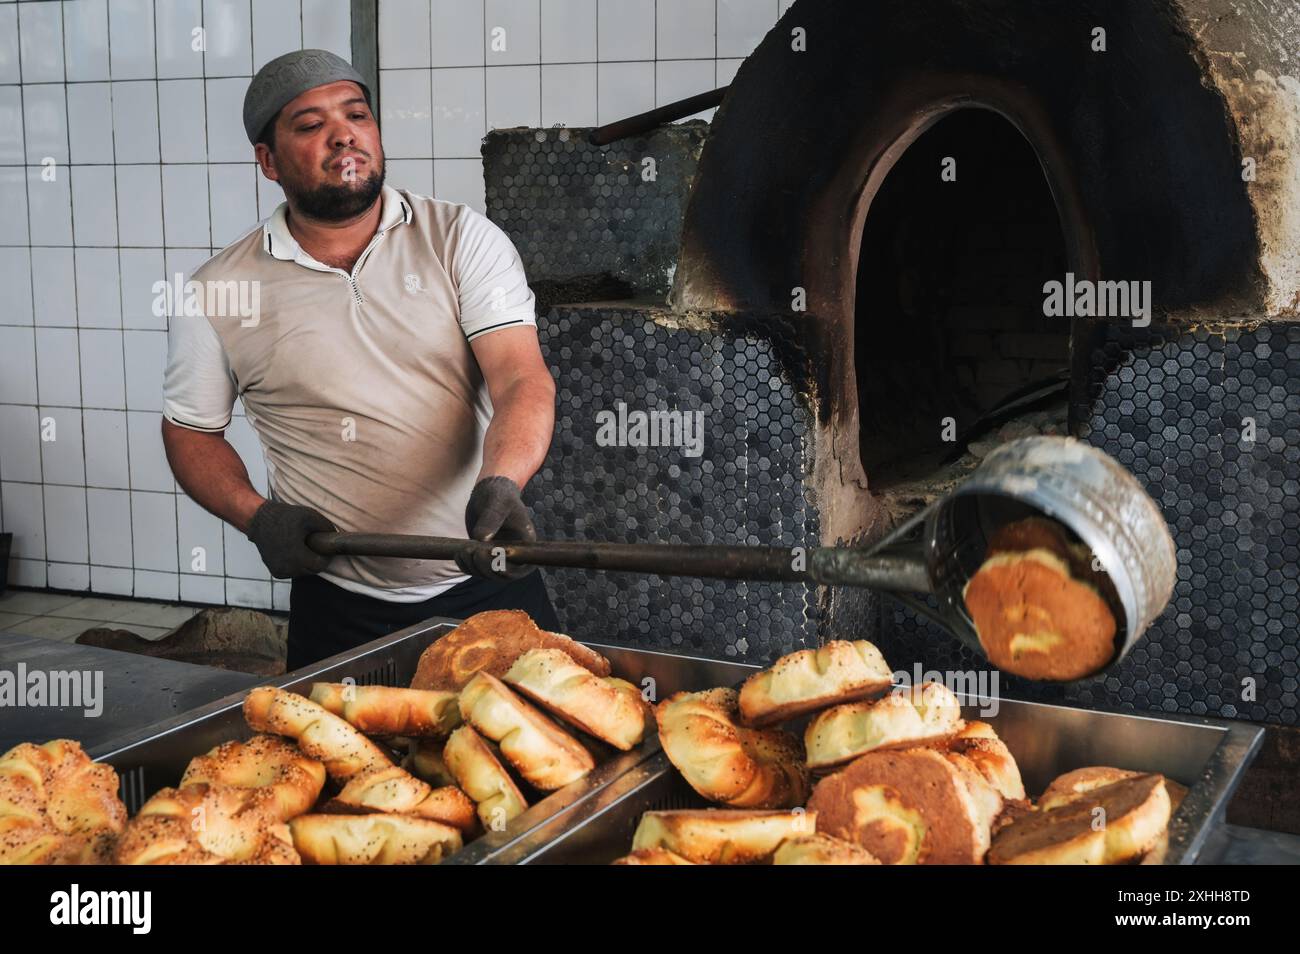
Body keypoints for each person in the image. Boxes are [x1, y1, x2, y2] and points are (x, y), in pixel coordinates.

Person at [161, 49, 560, 669]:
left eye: (356, 114)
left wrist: (503, 478)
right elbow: (191, 431)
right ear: (267, 161)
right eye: (309, 124)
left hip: (487, 577)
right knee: (343, 764)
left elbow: (520, 378)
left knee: (542, 760)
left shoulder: (460, 238)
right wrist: (256, 517)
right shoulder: (216, 291)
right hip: (339, 601)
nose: (343, 133)